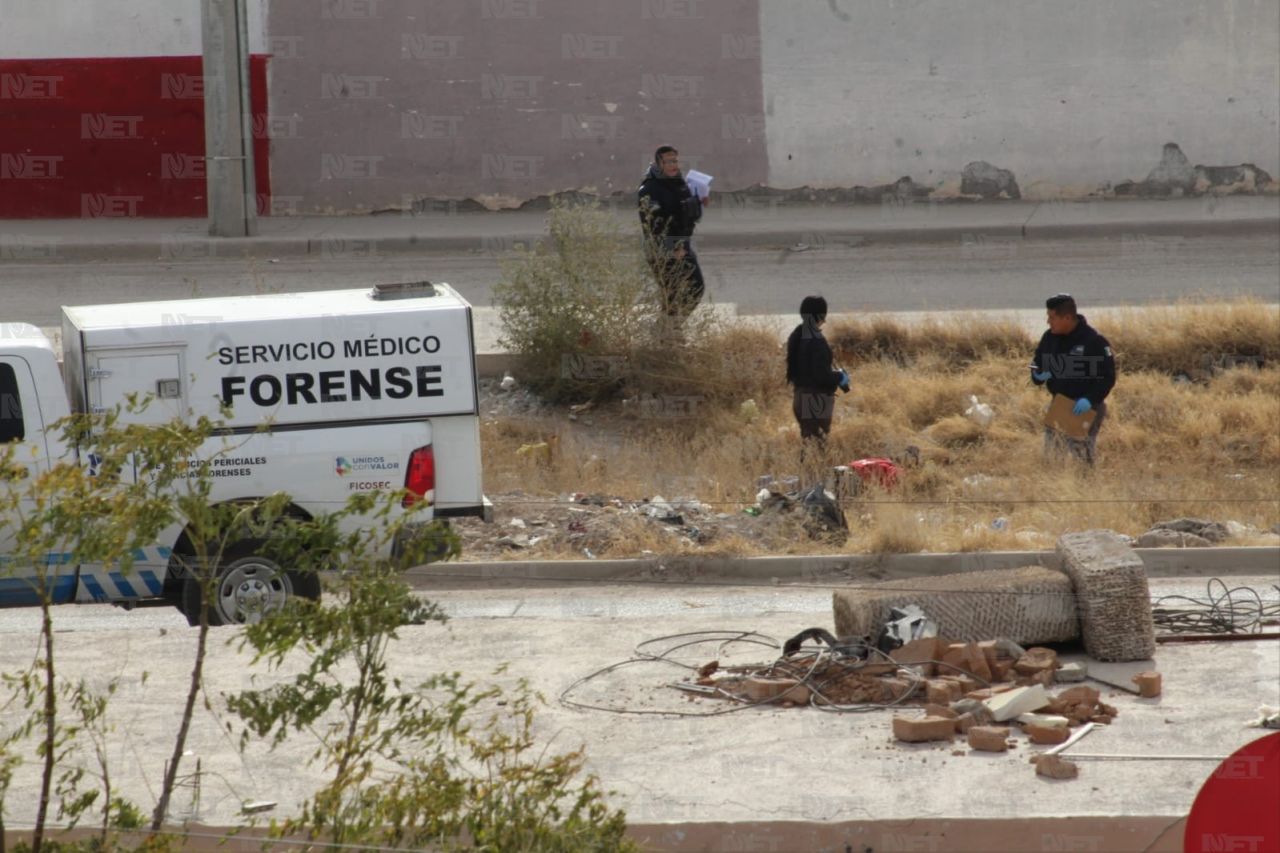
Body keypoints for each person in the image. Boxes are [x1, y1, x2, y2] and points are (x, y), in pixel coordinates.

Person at [1031, 293, 1117, 465]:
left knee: (1082, 459)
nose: (1048, 322)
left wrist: (1089, 399)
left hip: (1085, 407)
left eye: (1052, 317)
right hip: (1060, 405)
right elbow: (1036, 363)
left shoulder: (1094, 341)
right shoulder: (1049, 338)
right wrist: (1037, 374)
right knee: (1052, 458)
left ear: (1067, 318)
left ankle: (1086, 482)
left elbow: (1108, 377)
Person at [638, 145, 706, 319]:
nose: (673, 165)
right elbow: (653, 224)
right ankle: (668, 329)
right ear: (658, 164)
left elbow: (686, 211)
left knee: (695, 287)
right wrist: (673, 248)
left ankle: (670, 327)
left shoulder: (679, 183)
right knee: (672, 293)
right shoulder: (649, 189)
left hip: (682, 243)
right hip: (662, 248)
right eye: (668, 162)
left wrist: (699, 202)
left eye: (675, 161)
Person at [786, 295, 850, 477]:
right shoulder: (816, 340)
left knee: (809, 444)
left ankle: (805, 483)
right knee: (817, 450)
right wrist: (840, 376)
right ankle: (813, 486)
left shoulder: (797, 334)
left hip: (800, 396)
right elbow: (821, 375)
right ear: (822, 315)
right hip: (815, 399)